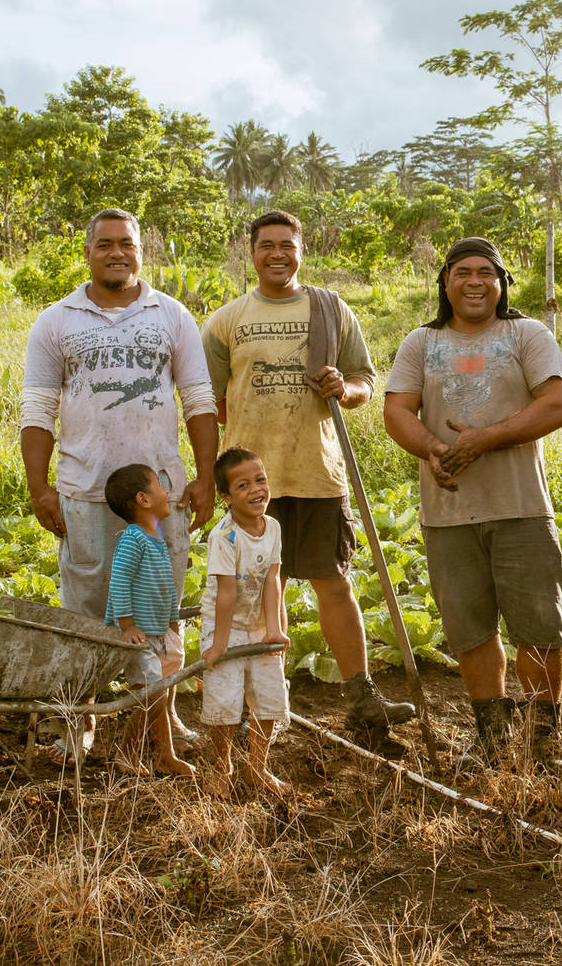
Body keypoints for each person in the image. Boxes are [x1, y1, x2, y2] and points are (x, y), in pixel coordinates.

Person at [202, 210, 415, 750]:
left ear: (302, 250)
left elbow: (366, 382)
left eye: (287, 245)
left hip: (317, 472)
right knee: (245, 594)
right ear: (250, 252)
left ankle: (363, 700)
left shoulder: (330, 308)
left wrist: (343, 389)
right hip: (251, 480)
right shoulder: (225, 320)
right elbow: (213, 404)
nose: (277, 254)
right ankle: (244, 710)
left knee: (335, 585)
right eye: (266, 245)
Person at [20, 208, 218, 764]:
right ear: (87, 252)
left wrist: (204, 478)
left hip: (160, 497)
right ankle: (78, 723)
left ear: (140, 251)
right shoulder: (57, 321)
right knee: (85, 611)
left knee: (160, 609)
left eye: (126, 244)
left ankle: (160, 719)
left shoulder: (171, 316)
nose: (117, 253)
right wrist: (41, 487)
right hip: (84, 492)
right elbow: (38, 409)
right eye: (105, 244)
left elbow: (199, 400)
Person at [383, 238, 562, 775]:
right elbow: (397, 410)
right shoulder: (422, 342)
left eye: (486, 273)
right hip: (447, 512)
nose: (474, 282)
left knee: (539, 626)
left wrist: (484, 438)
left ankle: (542, 743)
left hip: (521, 508)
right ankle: (491, 738)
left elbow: (558, 404)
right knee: (470, 630)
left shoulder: (526, 334)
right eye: (462, 272)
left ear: (501, 283)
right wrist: (434, 449)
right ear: (445, 282)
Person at [201, 447, 292, 799]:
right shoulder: (224, 537)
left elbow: (272, 580)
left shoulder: (273, 528)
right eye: (243, 486)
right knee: (224, 703)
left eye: (260, 480)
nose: (256, 490)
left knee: (268, 696)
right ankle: (222, 767)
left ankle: (257, 768)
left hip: (257, 625)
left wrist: (274, 628)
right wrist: (220, 645)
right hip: (224, 626)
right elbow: (225, 594)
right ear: (225, 497)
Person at [103, 463, 193, 777]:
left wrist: (171, 622)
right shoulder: (133, 539)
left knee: (163, 693)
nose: (167, 492)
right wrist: (126, 625)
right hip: (138, 636)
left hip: (158, 633)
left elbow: (166, 586)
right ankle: (126, 754)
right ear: (143, 499)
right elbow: (119, 582)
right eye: (159, 486)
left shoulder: (155, 539)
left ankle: (165, 756)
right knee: (153, 695)